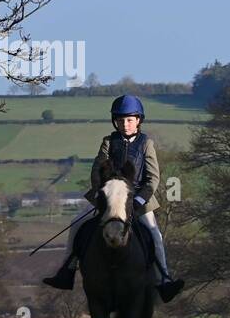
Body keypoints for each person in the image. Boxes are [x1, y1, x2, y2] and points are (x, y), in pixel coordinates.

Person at [42, 95, 185, 303]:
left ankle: (164, 280)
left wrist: (137, 201)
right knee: (76, 224)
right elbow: (96, 172)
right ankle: (67, 271)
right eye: (120, 120)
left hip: (138, 202)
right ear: (115, 122)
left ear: (138, 120)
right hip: (109, 201)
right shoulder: (108, 142)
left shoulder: (146, 144)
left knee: (155, 235)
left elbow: (153, 179)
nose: (124, 124)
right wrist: (103, 196)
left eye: (129, 120)